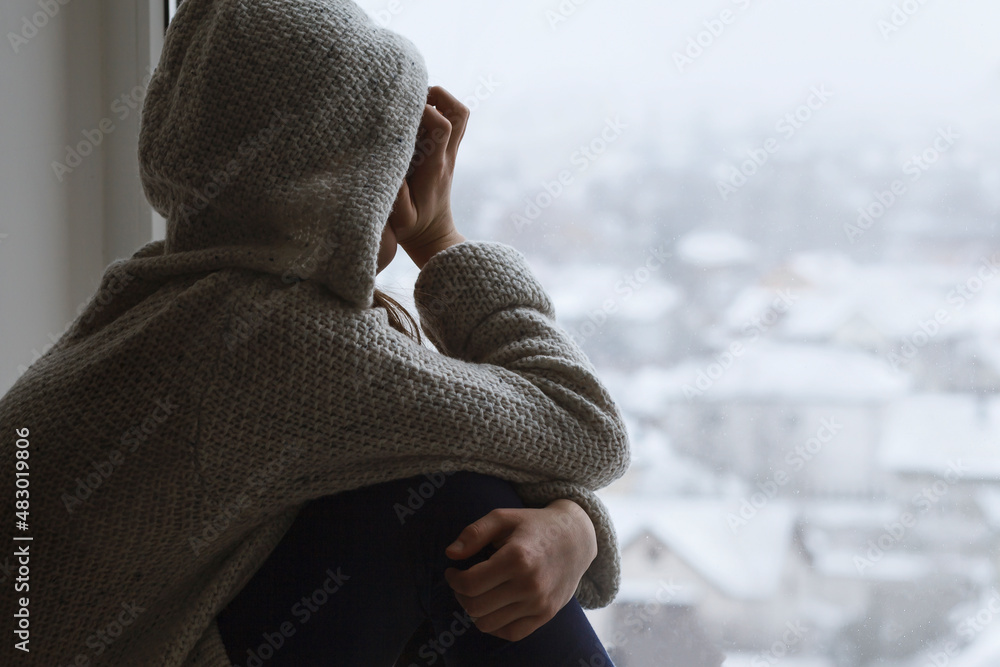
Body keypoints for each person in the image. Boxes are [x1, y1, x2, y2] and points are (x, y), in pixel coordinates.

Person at [0, 0, 630, 665]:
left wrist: (578, 527)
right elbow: (584, 425)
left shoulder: (159, 294)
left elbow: (454, 439)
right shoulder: (281, 340)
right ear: (330, 181)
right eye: (386, 155)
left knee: (425, 490)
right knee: (452, 502)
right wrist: (439, 238)